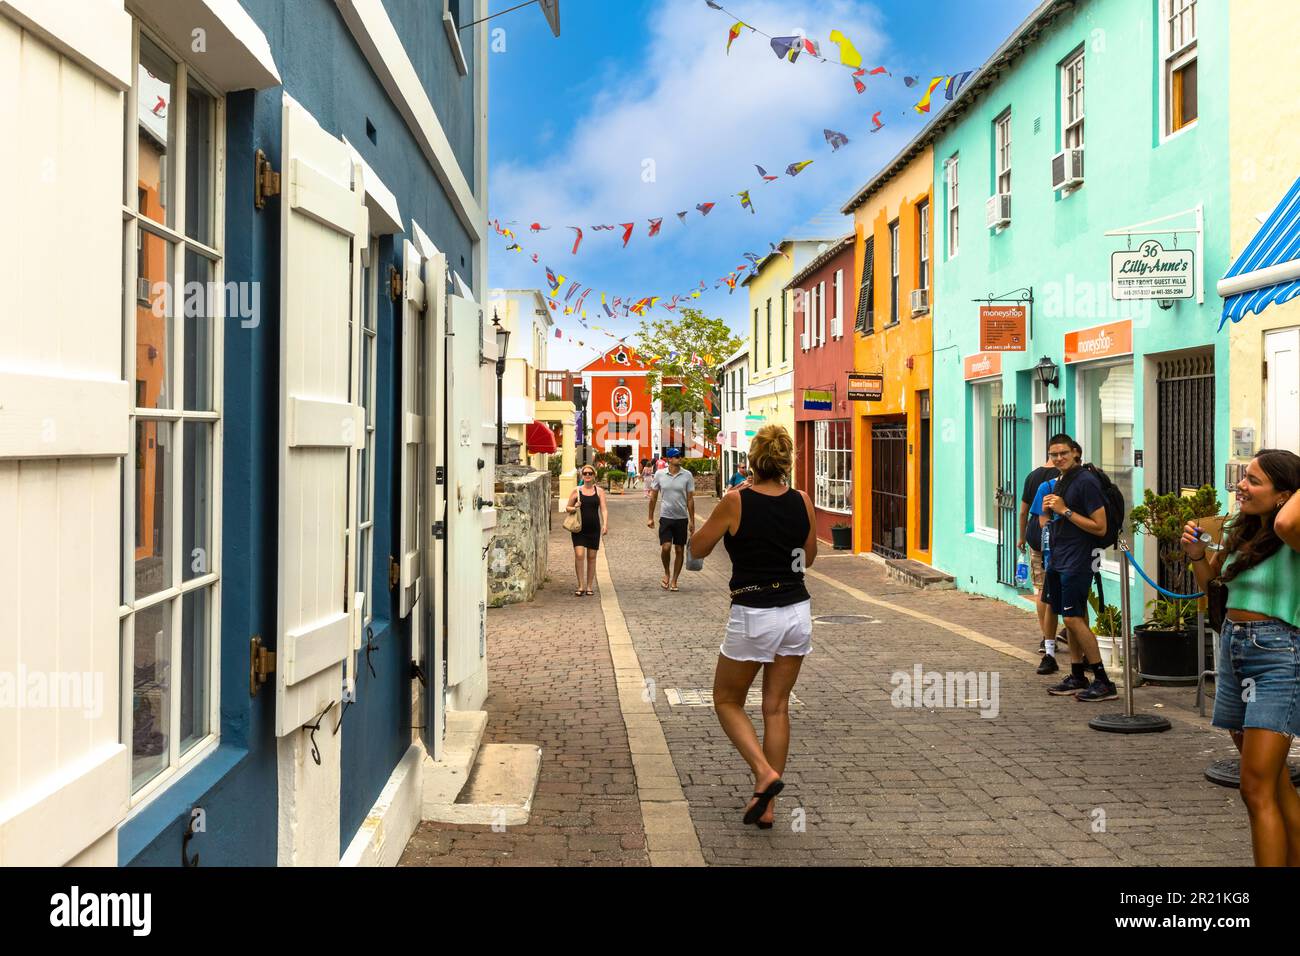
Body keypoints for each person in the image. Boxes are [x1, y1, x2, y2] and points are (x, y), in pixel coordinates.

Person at [689, 424, 816, 829]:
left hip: (754, 611)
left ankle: (764, 773)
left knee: (727, 700)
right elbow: (807, 558)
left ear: (753, 461)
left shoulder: (735, 501)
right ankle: (768, 805)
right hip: (797, 610)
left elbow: (696, 547)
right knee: (776, 707)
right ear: (784, 462)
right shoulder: (803, 500)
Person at [1184, 449, 1300, 866]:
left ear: (1286, 494)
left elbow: (1287, 520)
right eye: (1244, 477)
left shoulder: (1293, 534)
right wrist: (1197, 555)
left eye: (1253, 480)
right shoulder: (1240, 526)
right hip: (1233, 649)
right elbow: (1213, 583)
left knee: (1254, 787)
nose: (1241, 485)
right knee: (1275, 782)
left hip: (1278, 655)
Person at [1039, 433, 1117, 702]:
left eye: (1063, 453)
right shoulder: (1061, 480)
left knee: (1073, 618)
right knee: (1071, 617)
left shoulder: (1085, 481)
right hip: (1060, 556)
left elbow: (1101, 526)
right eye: (1054, 454)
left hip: (1078, 559)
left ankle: (1103, 681)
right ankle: (1077, 675)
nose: (1059, 458)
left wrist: (1065, 511)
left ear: (1075, 452)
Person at [647, 450, 695, 591]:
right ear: (669, 459)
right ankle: (667, 573)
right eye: (676, 456)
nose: (679, 458)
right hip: (666, 517)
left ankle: (674, 580)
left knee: (679, 549)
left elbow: (690, 499)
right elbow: (653, 497)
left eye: (680, 456)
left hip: (681, 518)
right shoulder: (660, 474)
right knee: (666, 547)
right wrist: (650, 517)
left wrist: (692, 521)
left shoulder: (687, 475)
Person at [565, 465, 607, 596]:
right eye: (585, 473)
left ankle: (589, 586)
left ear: (594, 475)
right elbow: (567, 507)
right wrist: (574, 507)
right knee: (579, 555)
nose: (587, 476)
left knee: (592, 557)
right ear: (582, 475)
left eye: (590, 473)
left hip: (594, 528)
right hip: (579, 528)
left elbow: (604, 509)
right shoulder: (576, 491)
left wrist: (605, 524)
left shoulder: (599, 491)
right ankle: (580, 585)